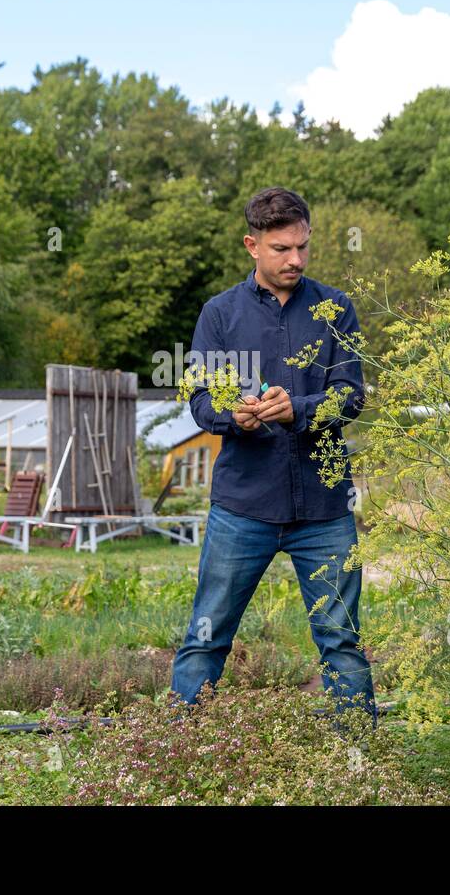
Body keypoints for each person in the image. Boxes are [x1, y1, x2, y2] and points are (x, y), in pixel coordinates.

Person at [169, 186, 376, 722]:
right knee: (206, 634)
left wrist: (299, 409)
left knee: (341, 640)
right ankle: (175, 748)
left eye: (303, 247)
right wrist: (228, 416)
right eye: (282, 248)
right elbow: (198, 399)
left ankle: (362, 757)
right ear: (252, 245)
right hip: (243, 507)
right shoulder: (219, 315)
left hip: (325, 509)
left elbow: (352, 394)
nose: (296, 259)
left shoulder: (335, 309)